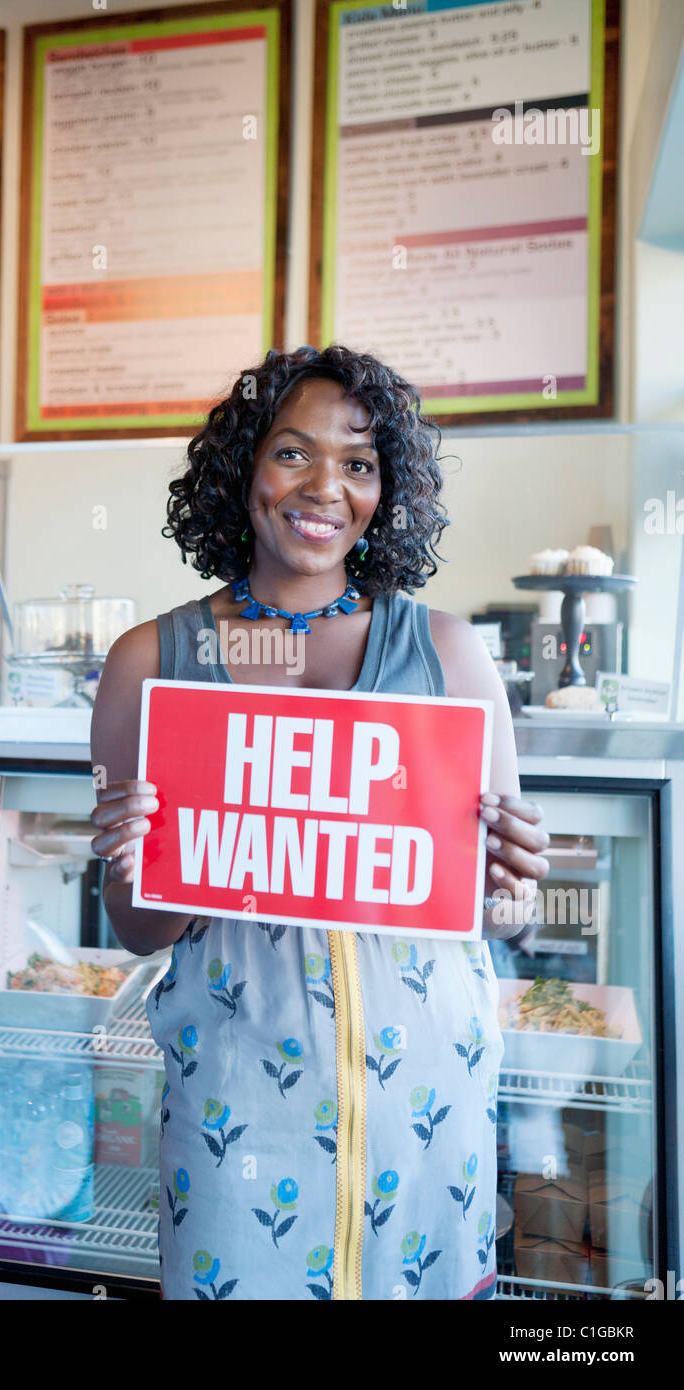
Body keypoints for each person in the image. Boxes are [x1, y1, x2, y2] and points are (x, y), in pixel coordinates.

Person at [90, 344, 550, 1300]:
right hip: (237, 1104)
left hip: (424, 1105)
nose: (325, 488)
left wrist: (513, 887)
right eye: (293, 453)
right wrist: (132, 859)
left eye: (359, 463)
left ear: (388, 492)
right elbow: (137, 927)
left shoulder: (447, 653)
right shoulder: (152, 661)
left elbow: (499, 920)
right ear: (243, 468)